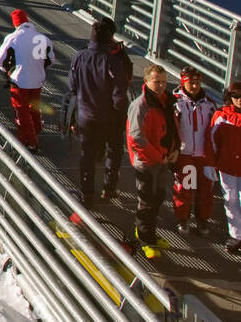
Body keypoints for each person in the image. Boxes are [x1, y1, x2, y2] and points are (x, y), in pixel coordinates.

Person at [68, 17, 133, 208]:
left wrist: (72, 116)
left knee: (86, 156)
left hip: (85, 116)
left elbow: (72, 87)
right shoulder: (113, 62)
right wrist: (119, 115)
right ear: (111, 37)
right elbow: (119, 94)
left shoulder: (79, 57)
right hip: (110, 118)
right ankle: (109, 187)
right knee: (114, 151)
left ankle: (87, 194)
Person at [126, 64, 180, 259]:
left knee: (157, 197)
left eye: (164, 82)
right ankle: (145, 239)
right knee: (146, 200)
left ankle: (147, 233)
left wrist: (175, 150)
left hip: (162, 158)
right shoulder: (140, 106)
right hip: (147, 161)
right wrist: (160, 156)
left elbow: (173, 127)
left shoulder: (165, 102)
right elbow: (136, 138)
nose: (161, 86)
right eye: (157, 82)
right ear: (146, 81)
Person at [0, 8, 53, 151]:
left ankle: (31, 141)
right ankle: (35, 131)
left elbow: (1, 61)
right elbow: (50, 60)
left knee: (22, 111)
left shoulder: (13, 38)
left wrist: (9, 71)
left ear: (16, 24)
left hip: (19, 81)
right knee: (34, 108)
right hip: (38, 80)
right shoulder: (42, 38)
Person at [172, 67, 217, 236]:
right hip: (185, 154)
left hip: (205, 155)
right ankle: (182, 218)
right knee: (186, 187)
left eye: (198, 82)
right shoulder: (175, 102)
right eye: (191, 82)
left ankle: (202, 219)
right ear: (183, 82)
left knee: (206, 189)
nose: (195, 86)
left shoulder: (210, 104)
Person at [206, 82, 241, 253]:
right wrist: (211, 164)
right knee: (231, 201)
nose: (239, 100)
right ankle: (236, 236)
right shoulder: (222, 115)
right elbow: (212, 141)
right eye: (236, 96)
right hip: (227, 167)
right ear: (230, 97)